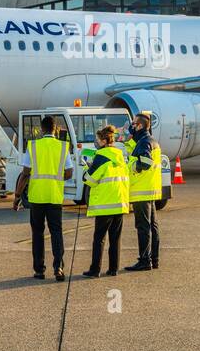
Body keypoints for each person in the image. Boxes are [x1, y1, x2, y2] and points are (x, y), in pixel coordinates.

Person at [13, 114, 73, 281]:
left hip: (37, 197)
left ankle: (39, 270)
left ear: (41, 129)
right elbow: (69, 172)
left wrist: (17, 196)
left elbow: (25, 174)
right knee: (56, 232)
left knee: (38, 233)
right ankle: (58, 267)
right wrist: (56, 178)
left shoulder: (32, 146)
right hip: (54, 196)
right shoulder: (63, 147)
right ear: (55, 129)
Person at [81, 124, 128, 278]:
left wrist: (85, 168)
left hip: (104, 204)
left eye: (97, 140)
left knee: (99, 239)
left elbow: (89, 180)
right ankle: (113, 268)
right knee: (115, 239)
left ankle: (95, 270)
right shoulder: (120, 155)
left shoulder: (101, 157)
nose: (96, 142)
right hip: (119, 202)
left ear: (102, 141)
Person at [123, 111, 162, 272]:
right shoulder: (149, 140)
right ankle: (154, 259)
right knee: (152, 225)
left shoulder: (145, 142)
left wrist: (133, 167)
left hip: (141, 190)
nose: (131, 127)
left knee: (143, 227)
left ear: (139, 125)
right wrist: (129, 141)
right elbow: (138, 153)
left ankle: (144, 260)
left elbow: (145, 162)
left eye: (133, 124)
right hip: (150, 189)